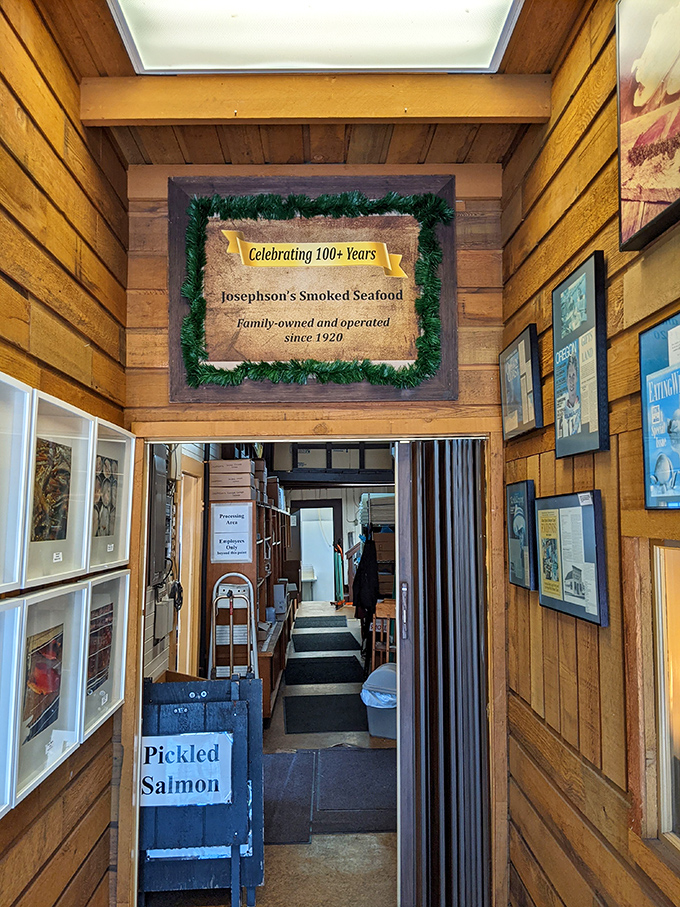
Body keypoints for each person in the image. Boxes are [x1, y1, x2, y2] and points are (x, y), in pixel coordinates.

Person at [561, 353, 581, 436]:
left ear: (577, 378)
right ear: (566, 380)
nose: (571, 380)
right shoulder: (561, 406)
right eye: (569, 376)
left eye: (573, 376)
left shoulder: (581, 405)